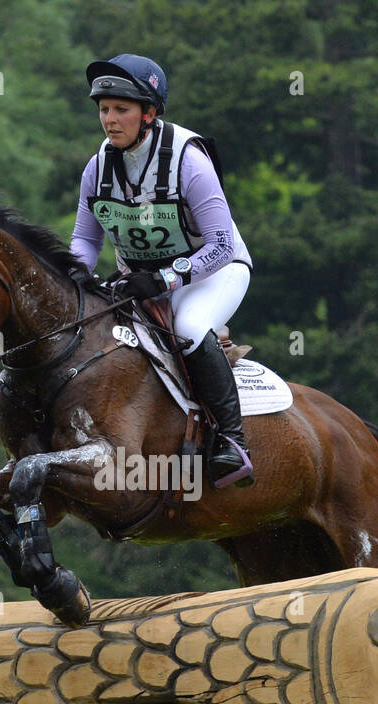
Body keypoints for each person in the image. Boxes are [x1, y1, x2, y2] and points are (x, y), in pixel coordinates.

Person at [70, 54, 255, 488]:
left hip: (215, 271)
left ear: (149, 113)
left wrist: (163, 280)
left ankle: (233, 441)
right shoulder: (97, 168)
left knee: (188, 327)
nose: (109, 121)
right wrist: (76, 278)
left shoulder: (188, 162)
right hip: (140, 281)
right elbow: (85, 240)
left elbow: (222, 244)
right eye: (103, 109)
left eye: (121, 110)